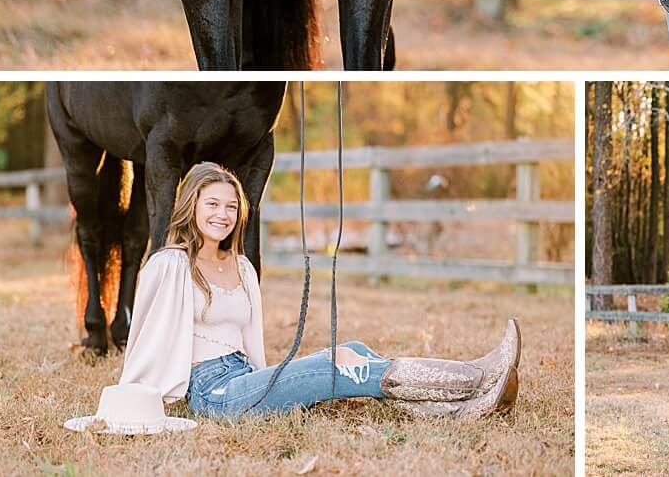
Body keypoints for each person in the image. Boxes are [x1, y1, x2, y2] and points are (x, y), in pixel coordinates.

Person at [116, 161, 520, 420]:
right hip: (214, 392)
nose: (223, 214)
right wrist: (137, 401)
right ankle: (475, 376)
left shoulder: (242, 267)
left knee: (354, 350)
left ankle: (461, 409)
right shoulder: (170, 265)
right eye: (212, 204)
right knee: (335, 368)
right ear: (192, 206)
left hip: (245, 377)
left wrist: (273, 377)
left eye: (231, 206)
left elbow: (251, 345)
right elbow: (145, 341)